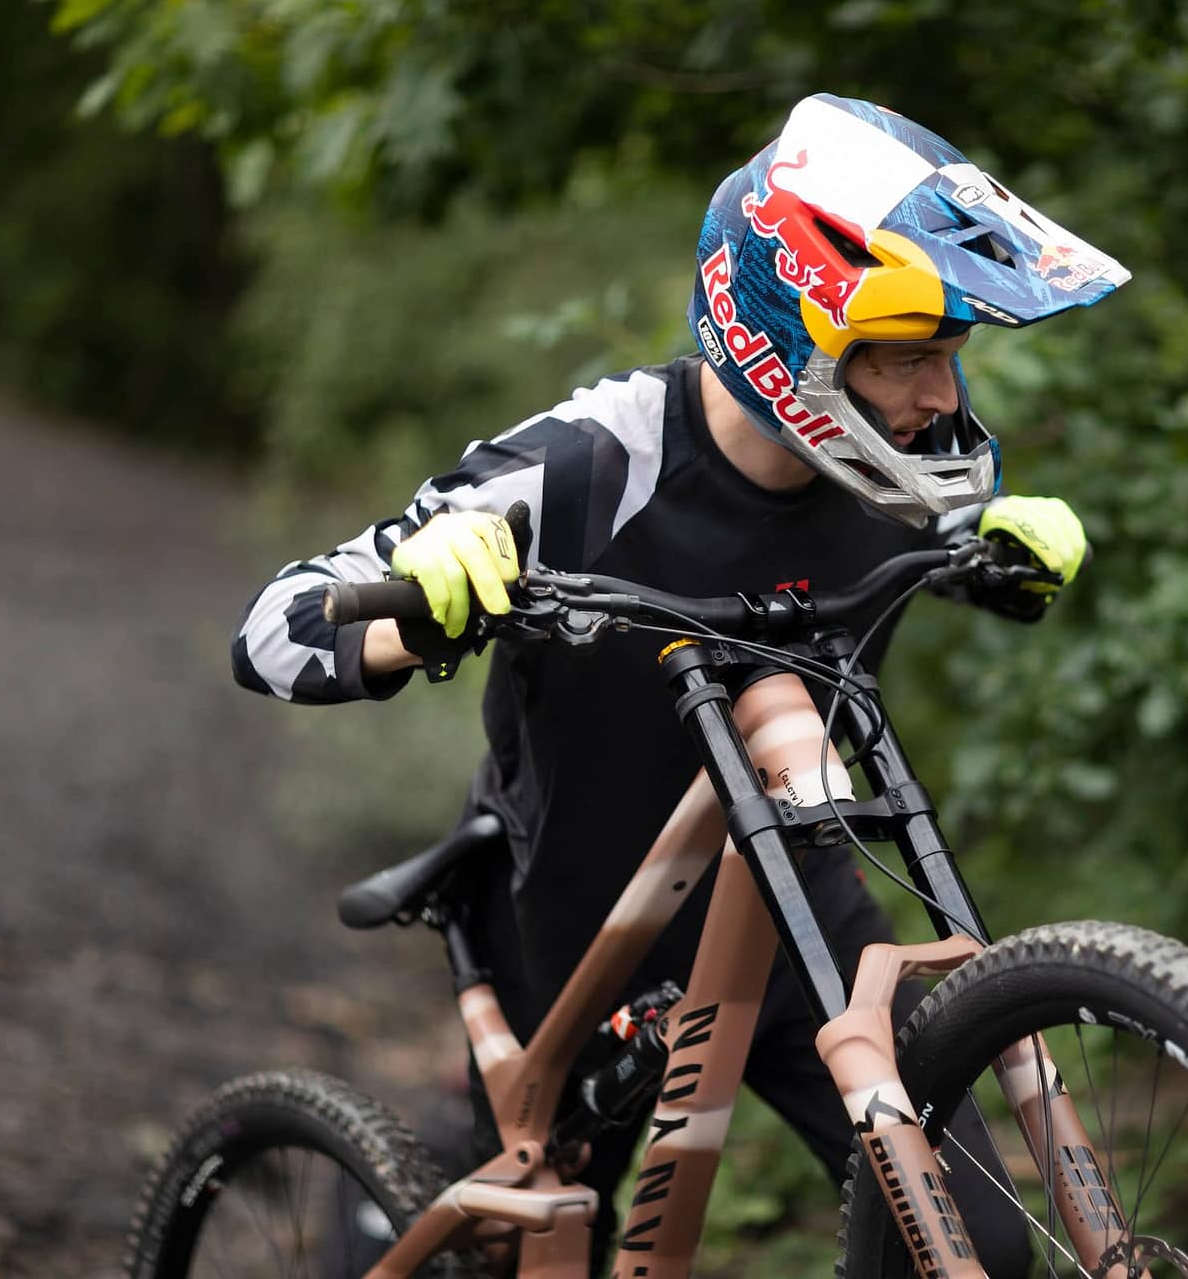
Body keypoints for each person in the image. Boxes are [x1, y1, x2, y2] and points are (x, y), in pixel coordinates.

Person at [232, 92, 1128, 1275]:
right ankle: (394, 1204)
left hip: (801, 903)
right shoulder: (594, 459)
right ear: (790, 335)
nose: (945, 399)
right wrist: (426, 598)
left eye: (952, 355)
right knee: (524, 1245)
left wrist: (1001, 554)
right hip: (574, 919)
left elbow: (933, 542)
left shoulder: (896, 463)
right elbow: (272, 627)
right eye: (910, 355)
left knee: (980, 1248)